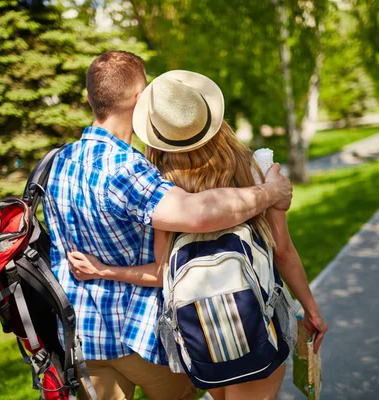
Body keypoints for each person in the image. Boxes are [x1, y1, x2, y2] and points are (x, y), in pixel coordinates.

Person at [42, 52, 293, 400]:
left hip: (83, 337)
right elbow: (198, 214)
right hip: (139, 338)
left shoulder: (57, 162)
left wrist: (99, 271)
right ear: (140, 99)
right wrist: (269, 192)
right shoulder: (127, 168)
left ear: (90, 99)